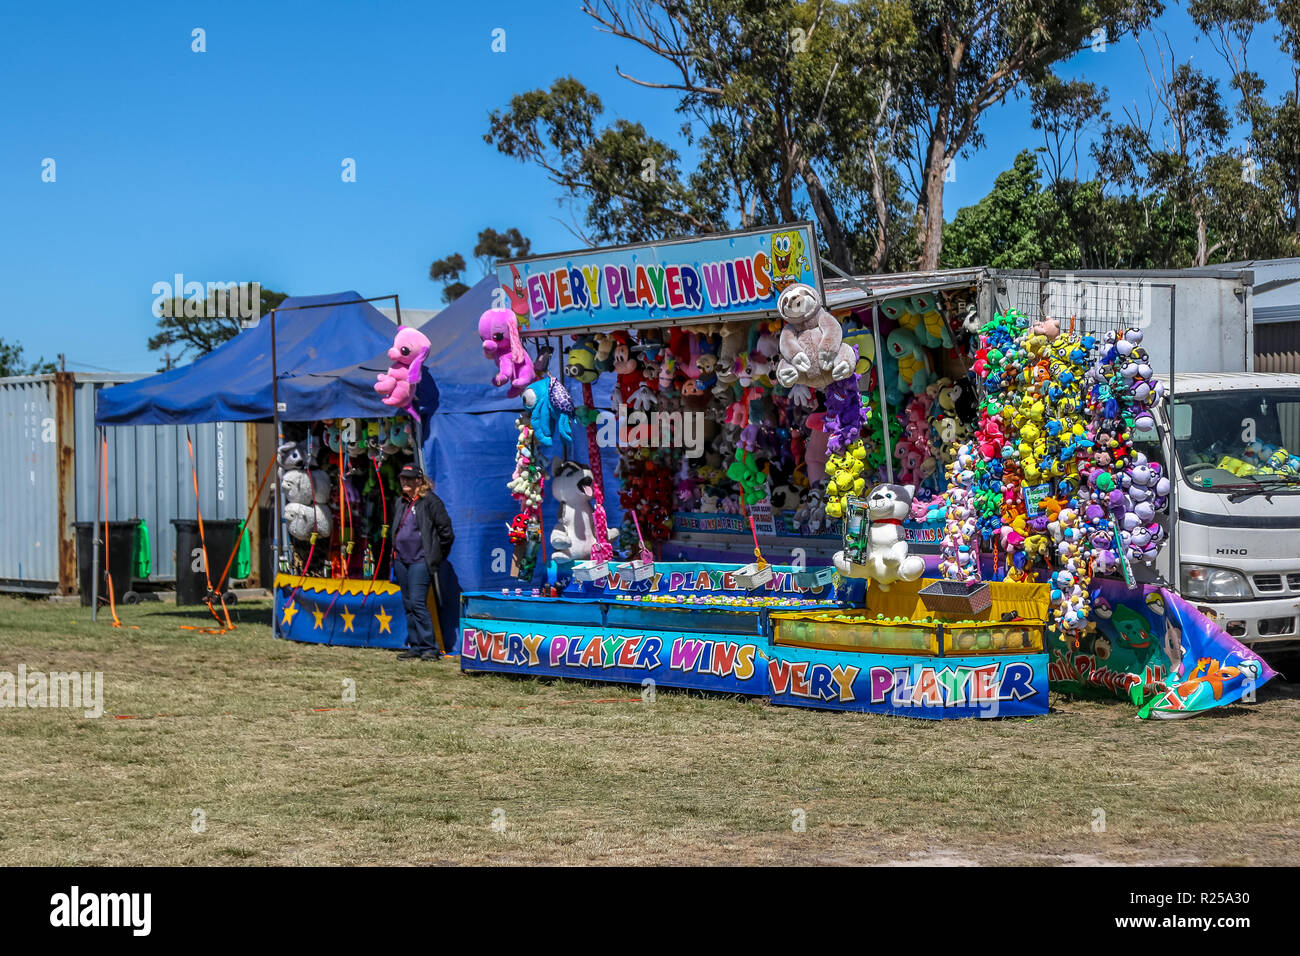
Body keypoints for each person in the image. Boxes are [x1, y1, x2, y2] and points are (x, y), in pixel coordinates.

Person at [390, 463, 454, 660]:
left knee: (418, 602)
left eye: (409, 478)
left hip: (420, 560)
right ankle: (416, 646)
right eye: (403, 478)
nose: (405, 481)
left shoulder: (431, 501)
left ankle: (430, 648)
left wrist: (434, 556)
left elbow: (446, 533)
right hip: (401, 559)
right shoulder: (401, 502)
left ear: (419, 480)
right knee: (408, 603)